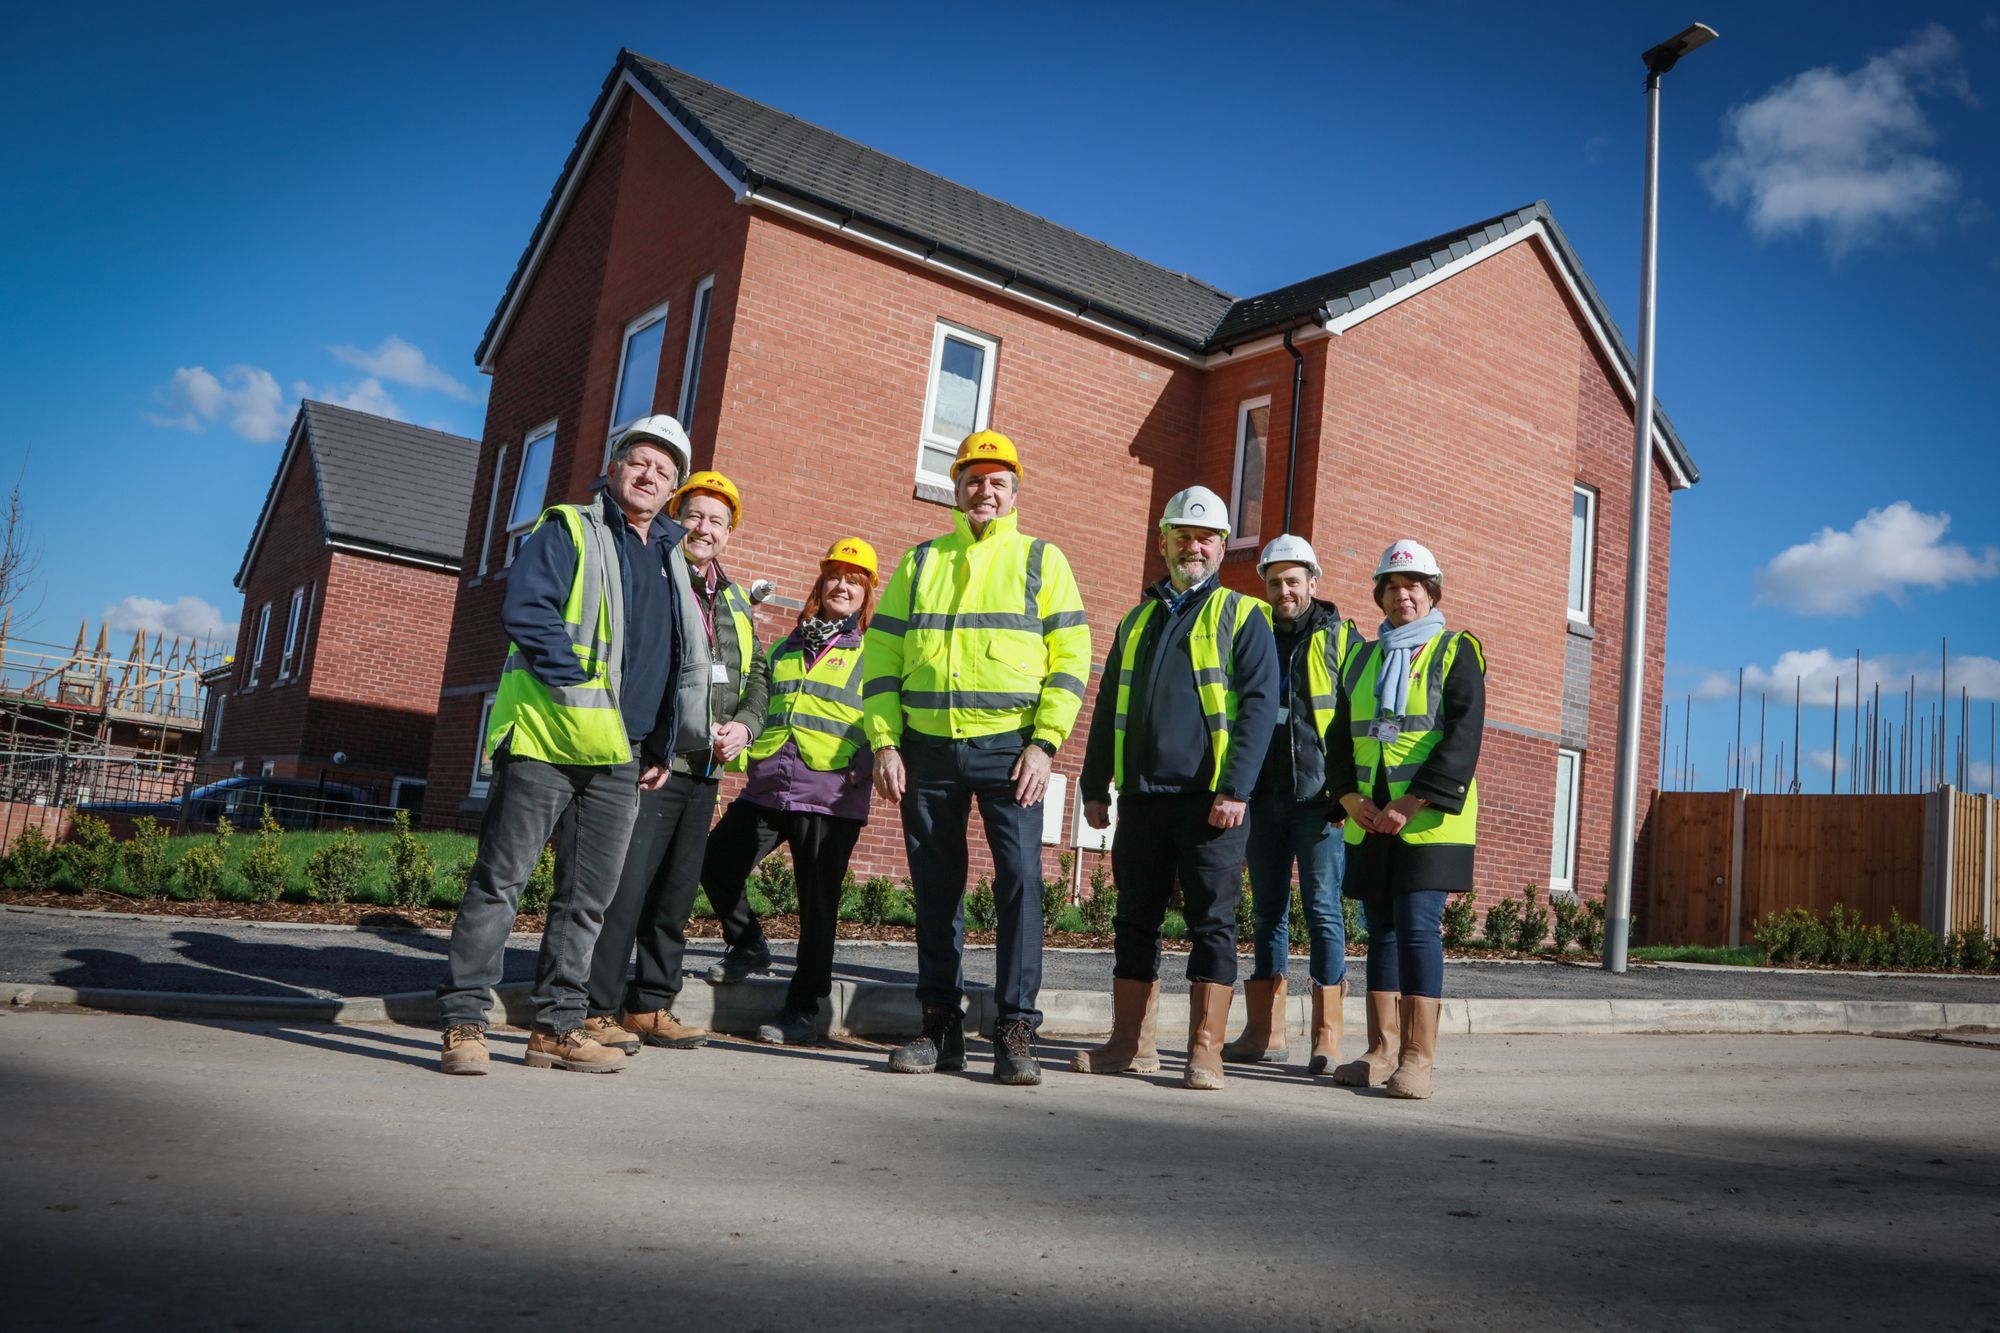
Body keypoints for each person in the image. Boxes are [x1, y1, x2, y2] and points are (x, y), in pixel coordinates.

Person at [436, 414, 691, 1075]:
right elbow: (527, 609)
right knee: (501, 881)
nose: (649, 474)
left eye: (663, 471)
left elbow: (672, 655)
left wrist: (663, 740)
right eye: (638, 461)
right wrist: (578, 682)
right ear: (613, 468)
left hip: (619, 754)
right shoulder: (569, 528)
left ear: (672, 492)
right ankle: (465, 1020)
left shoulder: (670, 559)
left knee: (588, 898)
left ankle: (556, 1027)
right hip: (548, 738)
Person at [865, 429, 1091, 1086]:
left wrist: (1046, 744)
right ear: (957, 487)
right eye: (973, 478)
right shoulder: (921, 562)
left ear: (1014, 490)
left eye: (997, 480)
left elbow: (1071, 661)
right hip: (927, 750)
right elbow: (880, 658)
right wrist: (884, 739)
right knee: (936, 889)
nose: (984, 489)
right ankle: (940, 1024)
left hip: (1010, 753)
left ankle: (1015, 1025)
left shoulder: (1043, 562)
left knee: (1019, 882)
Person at [1073, 486, 1279, 1091]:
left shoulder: (1244, 616)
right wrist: (1093, 784)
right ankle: (1128, 1045)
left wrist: (1236, 787)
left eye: (1206, 538)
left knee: (1211, 922)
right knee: (1134, 919)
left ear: (1222, 548)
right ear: (1163, 542)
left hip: (1211, 801)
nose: (1194, 546)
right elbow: (1108, 702)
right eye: (1183, 536)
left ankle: (1204, 1051)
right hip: (1141, 797)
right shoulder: (1136, 619)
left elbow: (1260, 709)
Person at [582, 469, 768, 1053]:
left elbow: (757, 675)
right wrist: (669, 733)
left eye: (717, 520)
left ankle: (652, 1005)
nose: (704, 528)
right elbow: (645, 664)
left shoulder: (734, 598)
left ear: (729, 533)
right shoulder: (658, 576)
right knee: (627, 890)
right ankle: (597, 1008)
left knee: (675, 896)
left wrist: (745, 725)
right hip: (656, 761)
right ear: (674, 520)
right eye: (694, 516)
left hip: (705, 771)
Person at [701, 537, 880, 1045]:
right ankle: (749, 943)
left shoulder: (875, 652)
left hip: (830, 793)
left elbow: (889, 715)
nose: (842, 586)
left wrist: (864, 764)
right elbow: (758, 700)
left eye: (855, 580)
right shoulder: (787, 646)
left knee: (816, 904)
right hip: (769, 786)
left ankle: (804, 1009)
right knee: (714, 863)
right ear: (820, 583)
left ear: (866, 593)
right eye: (835, 577)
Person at [1326, 539, 1484, 1100]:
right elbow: (1339, 739)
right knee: (1381, 932)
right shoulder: (1363, 657)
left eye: (1413, 585)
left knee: (1417, 929)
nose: (1402, 595)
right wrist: (1347, 799)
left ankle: (1418, 1059)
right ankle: (1382, 1050)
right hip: (1369, 821)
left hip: (1430, 822)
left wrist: (1410, 803)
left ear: (1431, 592)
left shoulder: (1456, 650)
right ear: (1380, 596)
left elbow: (1463, 739)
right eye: (1391, 587)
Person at [1222, 535, 1361, 1075]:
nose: (1284, 590)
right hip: (1262, 797)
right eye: (1275, 581)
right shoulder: (1250, 633)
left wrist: (1347, 793)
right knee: (1267, 912)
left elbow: (1353, 718)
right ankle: (1265, 1031)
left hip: (1320, 801)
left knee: (1324, 912)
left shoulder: (1341, 640)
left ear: (1313, 582)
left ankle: (1327, 1038)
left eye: (1293, 581)